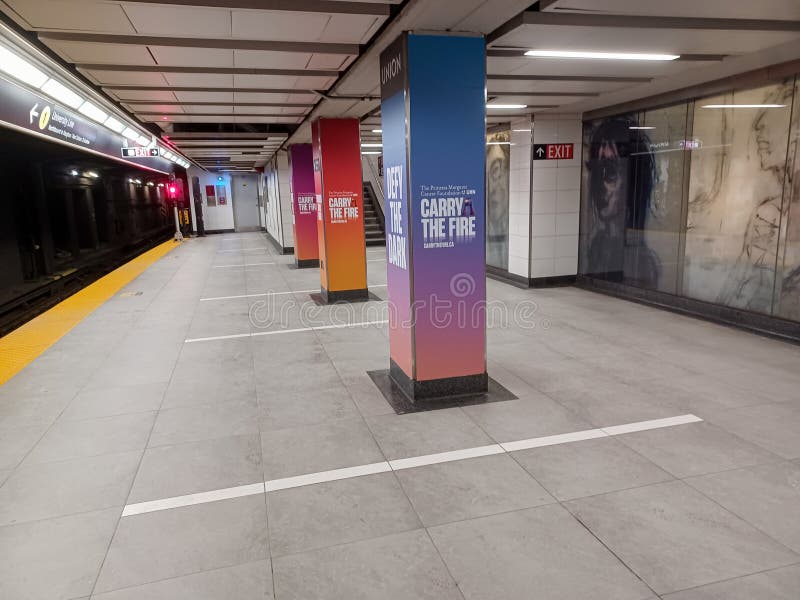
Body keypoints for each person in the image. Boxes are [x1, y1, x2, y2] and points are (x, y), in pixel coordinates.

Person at [584, 117, 659, 287]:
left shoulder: (636, 258)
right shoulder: (597, 245)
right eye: (596, 171)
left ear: (632, 180)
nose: (598, 186)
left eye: (610, 172)